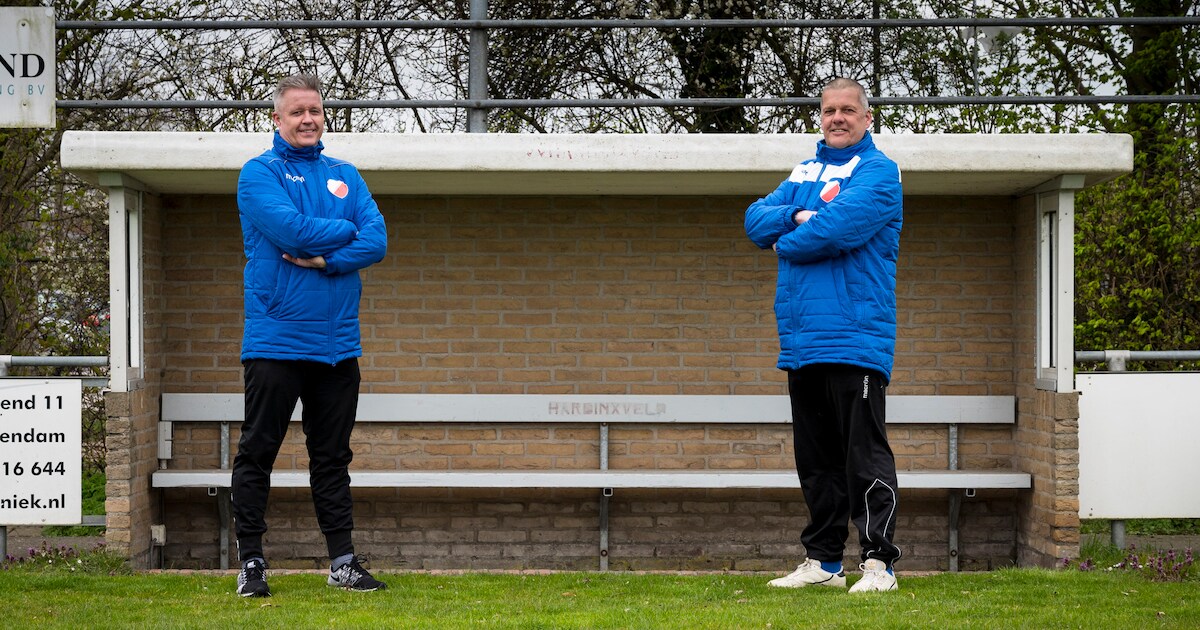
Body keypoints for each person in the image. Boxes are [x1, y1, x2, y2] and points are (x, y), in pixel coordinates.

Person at [231, 73, 388, 597]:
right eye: (297, 111)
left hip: (338, 346)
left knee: (332, 458)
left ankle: (343, 563)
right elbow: (293, 231)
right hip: (276, 341)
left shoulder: (346, 173)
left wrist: (325, 259)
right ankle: (252, 564)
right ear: (277, 119)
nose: (307, 119)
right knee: (259, 451)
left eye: (315, 111)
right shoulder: (259, 174)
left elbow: (379, 239)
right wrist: (346, 233)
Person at [744, 77, 904, 593]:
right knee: (816, 463)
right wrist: (795, 214)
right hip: (802, 343)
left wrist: (785, 238)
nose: (837, 117)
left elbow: (835, 231)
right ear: (820, 116)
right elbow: (753, 220)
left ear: (867, 117)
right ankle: (824, 562)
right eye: (829, 110)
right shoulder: (803, 171)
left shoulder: (880, 171)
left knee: (864, 458)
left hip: (855, 339)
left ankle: (879, 564)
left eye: (848, 110)